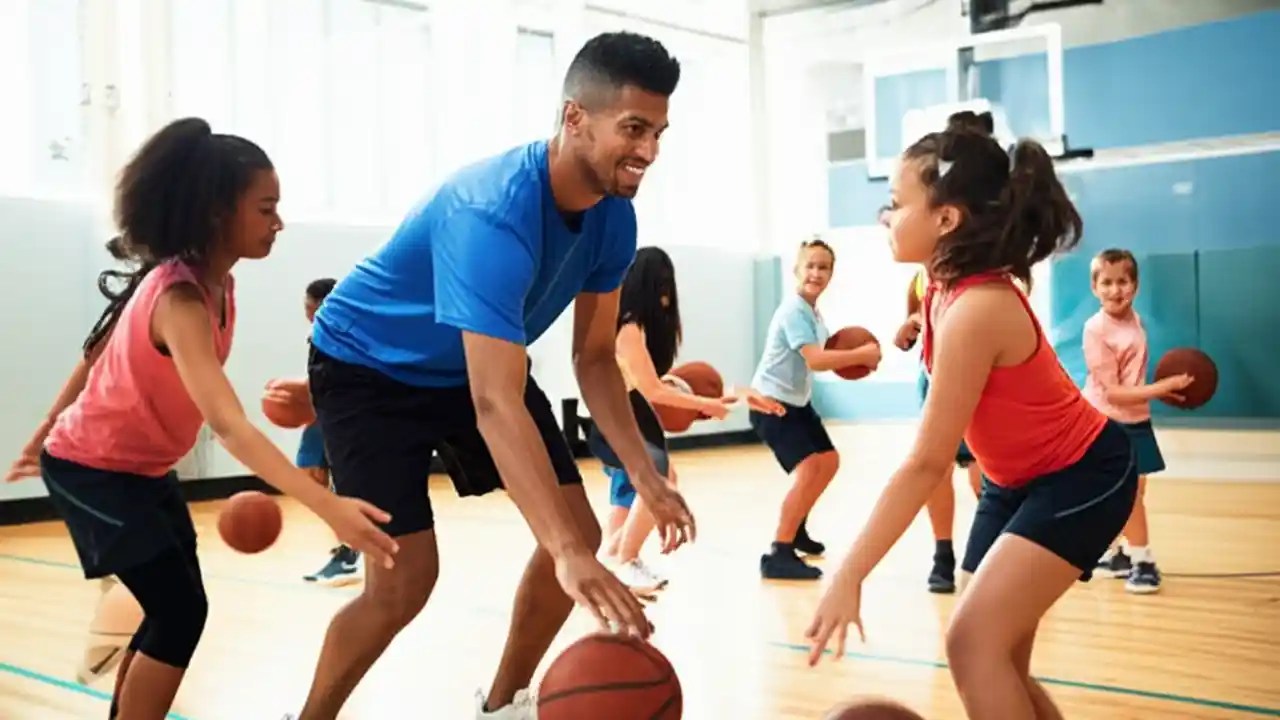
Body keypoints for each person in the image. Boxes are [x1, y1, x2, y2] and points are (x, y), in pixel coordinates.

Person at [286, 32, 694, 720]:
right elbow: (494, 400)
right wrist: (563, 553)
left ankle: (501, 705)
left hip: (472, 367)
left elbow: (593, 358)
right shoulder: (491, 212)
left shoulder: (614, 219)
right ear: (574, 118)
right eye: (632, 129)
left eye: (657, 132)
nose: (648, 151)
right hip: (367, 369)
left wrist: (646, 476)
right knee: (405, 582)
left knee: (581, 534)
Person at [5, 117, 398, 720]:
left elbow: (98, 354)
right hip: (94, 470)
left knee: (176, 608)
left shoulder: (218, 283)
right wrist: (328, 505)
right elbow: (230, 425)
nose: (279, 223)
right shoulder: (180, 299)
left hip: (144, 469)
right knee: (179, 612)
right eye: (265, 208)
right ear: (218, 212)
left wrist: (35, 436)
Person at [804, 116, 1140, 720]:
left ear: (946, 219)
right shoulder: (936, 287)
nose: (886, 217)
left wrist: (850, 573)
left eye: (896, 203)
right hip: (1015, 485)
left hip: (1083, 476)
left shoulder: (978, 307)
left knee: (972, 645)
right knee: (999, 658)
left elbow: (928, 462)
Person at [587, 247, 784, 595]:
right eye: (660, 283)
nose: (666, 292)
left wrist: (739, 394)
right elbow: (653, 390)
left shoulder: (646, 327)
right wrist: (706, 401)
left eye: (669, 283)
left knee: (651, 485)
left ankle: (613, 559)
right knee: (660, 480)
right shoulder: (628, 327)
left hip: (636, 418)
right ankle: (625, 561)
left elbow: (661, 385)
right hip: (614, 419)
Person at [749, 237, 881, 581]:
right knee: (810, 469)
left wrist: (856, 356)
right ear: (797, 269)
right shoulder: (793, 311)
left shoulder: (812, 312)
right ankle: (779, 552)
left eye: (824, 267)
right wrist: (862, 355)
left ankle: (797, 528)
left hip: (796, 403)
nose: (816, 273)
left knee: (829, 460)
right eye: (810, 265)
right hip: (771, 404)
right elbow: (818, 360)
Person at [1083, 248, 1189, 594]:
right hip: (1108, 420)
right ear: (1094, 287)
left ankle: (1116, 554)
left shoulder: (1135, 320)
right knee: (1128, 494)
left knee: (1133, 492)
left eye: (1123, 282)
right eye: (1107, 283)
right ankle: (1143, 561)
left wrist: (1160, 392)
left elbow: (1134, 382)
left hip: (1136, 417)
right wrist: (1161, 388)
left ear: (1135, 285)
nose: (1116, 290)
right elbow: (1113, 393)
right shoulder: (1095, 329)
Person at [294, 277, 364, 586]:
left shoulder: (351, 332)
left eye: (312, 307)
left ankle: (350, 553)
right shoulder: (319, 332)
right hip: (320, 414)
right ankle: (349, 542)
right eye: (306, 308)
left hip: (347, 415)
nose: (308, 313)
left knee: (346, 489)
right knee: (312, 478)